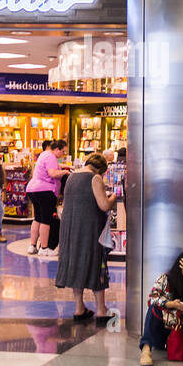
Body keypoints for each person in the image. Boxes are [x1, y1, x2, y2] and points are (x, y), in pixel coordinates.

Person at [55, 153, 117, 322]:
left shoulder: (71, 176)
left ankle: (79, 308)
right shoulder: (94, 178)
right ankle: (102, 310)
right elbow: (103, 205)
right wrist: (113, 197)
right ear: (100, 169)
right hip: (89, 229)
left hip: (70, 229)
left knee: (77, 264)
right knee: (96, 265)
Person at [140, 252, 183, 366]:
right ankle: (146, 349)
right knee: (153, 309)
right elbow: (151, 300)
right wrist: (171, 304)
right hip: (165, 330)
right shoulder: (165, 278)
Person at [26, 138, 69, 255]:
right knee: (46, 220)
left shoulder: (44, 154)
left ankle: (32, 245)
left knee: (38, 218)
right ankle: (44, 249)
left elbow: (50, 166)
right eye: (63, 151)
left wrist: (62, 166)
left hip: (33, 189)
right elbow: (53, 173)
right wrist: (65, 172)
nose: (63, 154)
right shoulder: (51, 157)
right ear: (57, 149)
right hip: (45, 190)